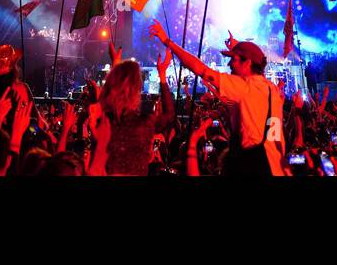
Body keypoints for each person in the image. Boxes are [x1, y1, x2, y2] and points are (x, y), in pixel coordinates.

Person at [148, 20, 285, 176]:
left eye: (233, 59)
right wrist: (238, 48)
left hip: (256, 169)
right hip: (276, 167)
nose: (229, 65)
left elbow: (201, 69)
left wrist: (167, 41)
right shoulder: (271, 89)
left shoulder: (245, 87)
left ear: (247, 63)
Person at [91, 47, 175, 176]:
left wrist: (116, 65)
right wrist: (162, 75)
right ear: (136, 90)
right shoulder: (145, 124)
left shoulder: (105, 121)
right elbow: (169, 115)